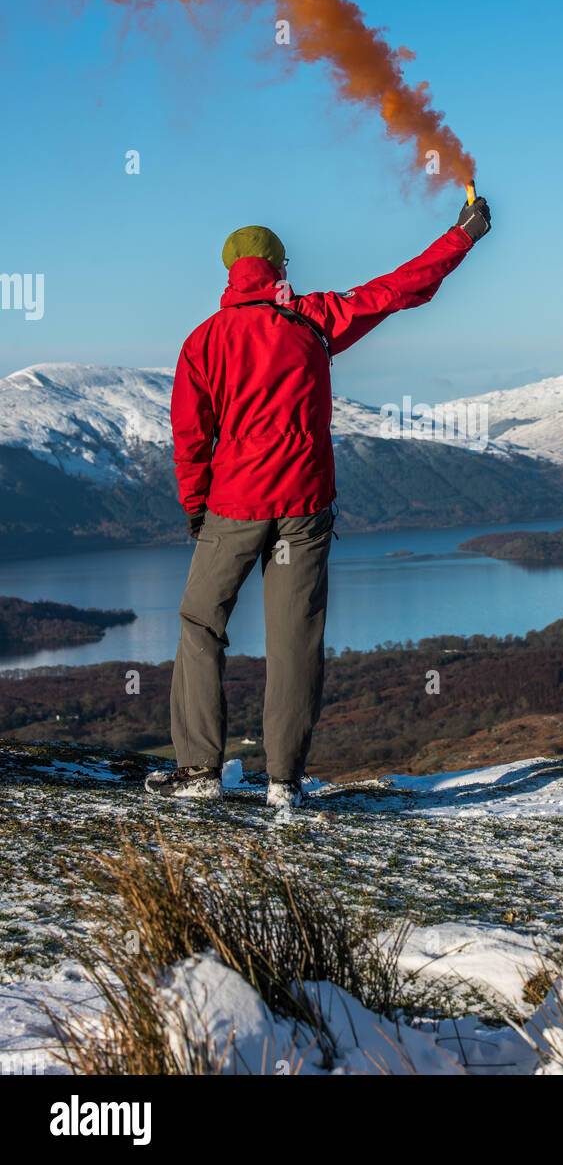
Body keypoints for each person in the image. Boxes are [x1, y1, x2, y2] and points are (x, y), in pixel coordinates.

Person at [145, 192, 492, 807]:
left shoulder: (204, 341)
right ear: (280, 268)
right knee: (295, 639)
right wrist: (461, 237)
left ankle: (199, 773)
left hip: (233, 503)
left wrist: (196, 506)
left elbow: (191, 436)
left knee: (201, 627)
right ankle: (284, 783)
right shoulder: (314, 318)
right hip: (305, 504)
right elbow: (397, 289)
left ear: (229, 272)